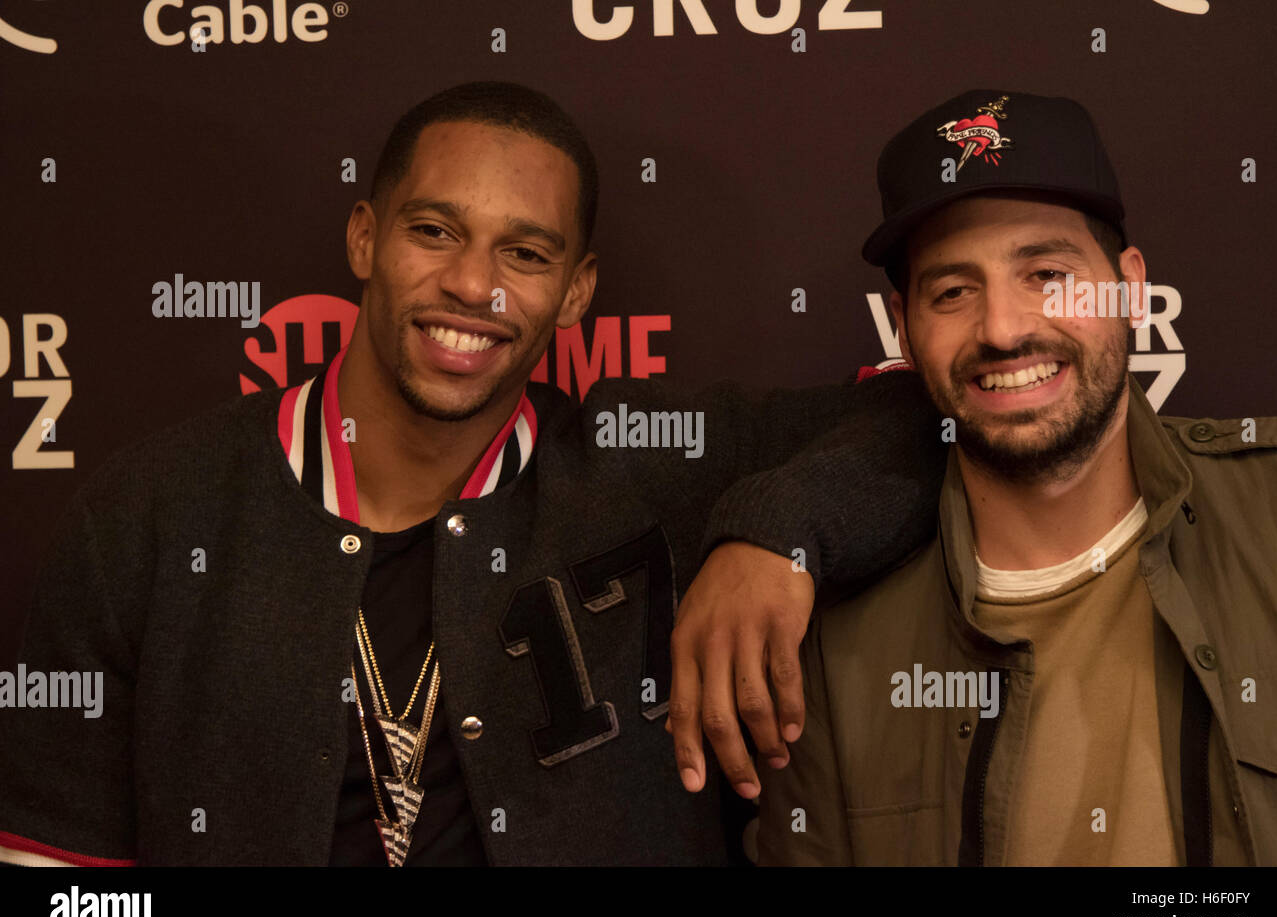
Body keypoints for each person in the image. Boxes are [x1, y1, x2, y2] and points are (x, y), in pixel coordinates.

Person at [0, 81, 944, 866]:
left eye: (525, 254)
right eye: (436, 232)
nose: (474, 286)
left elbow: (921, 417)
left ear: (576, 290)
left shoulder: (652, 463)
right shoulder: (150, 515)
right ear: (365, 238)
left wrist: (773, 530)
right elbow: (62, 879)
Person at [752, 89, 1277, 866]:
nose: (1004, 328)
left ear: (1130, 288)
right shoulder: (828, 653)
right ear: (904, 327)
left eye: (1046, 272)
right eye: (953, 291)